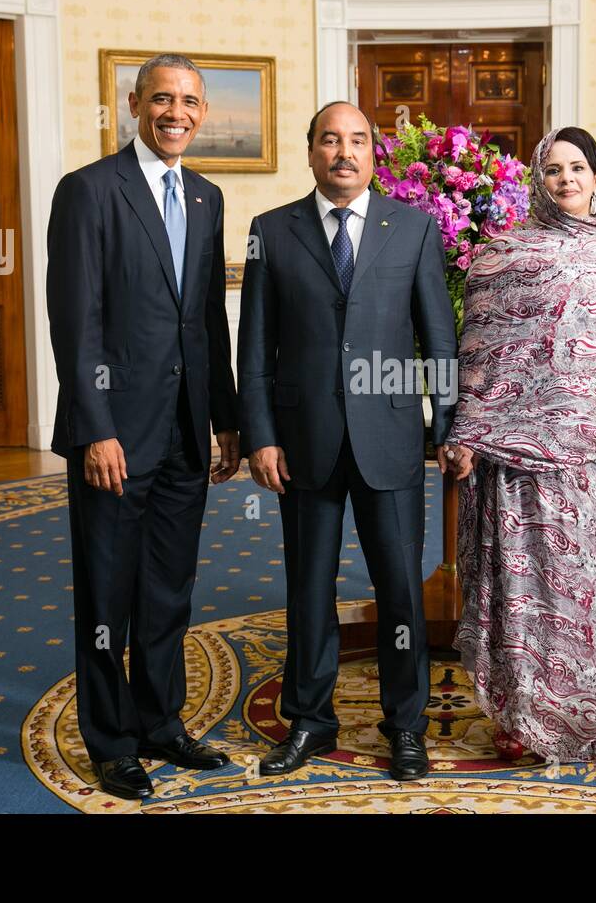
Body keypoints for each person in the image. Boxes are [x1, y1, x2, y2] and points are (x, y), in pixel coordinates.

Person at [237, 101, 459, 781]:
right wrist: (261, 436)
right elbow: (254, 347)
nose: (344, 152)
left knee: (399, 591)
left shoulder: (415, 229)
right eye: (330, 140)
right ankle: (308, 722)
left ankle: (406, 727)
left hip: (391, 439)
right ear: (309, 153)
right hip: (302, 441)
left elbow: (436, 337)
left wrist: (447, 427)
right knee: (308, 587)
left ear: (373, 154)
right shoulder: (271, 232)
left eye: (357, 140)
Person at [46, 54, 241, 800]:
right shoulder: (89, 191)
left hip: (188, 432)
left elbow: (205, 325)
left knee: (168, 589)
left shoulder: (206, 196)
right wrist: (95, 428)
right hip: (115, 435)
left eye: (190, 101)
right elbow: (76, 322)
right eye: (163, 98)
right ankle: (112, 739)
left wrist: (224, 418)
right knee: (107, 593)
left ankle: (163, 722)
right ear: (134, 104)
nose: (176, 113)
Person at [444, 127, 596, 766]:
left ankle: (595, 718)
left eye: (578, 168)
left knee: (595, 589)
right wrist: (471, 430)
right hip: (516, 458)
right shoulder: (501, 255)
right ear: (536, 182)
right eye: (552, 171)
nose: (566, 180)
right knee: (527, 587)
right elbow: (480, 350)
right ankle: (523, 715)